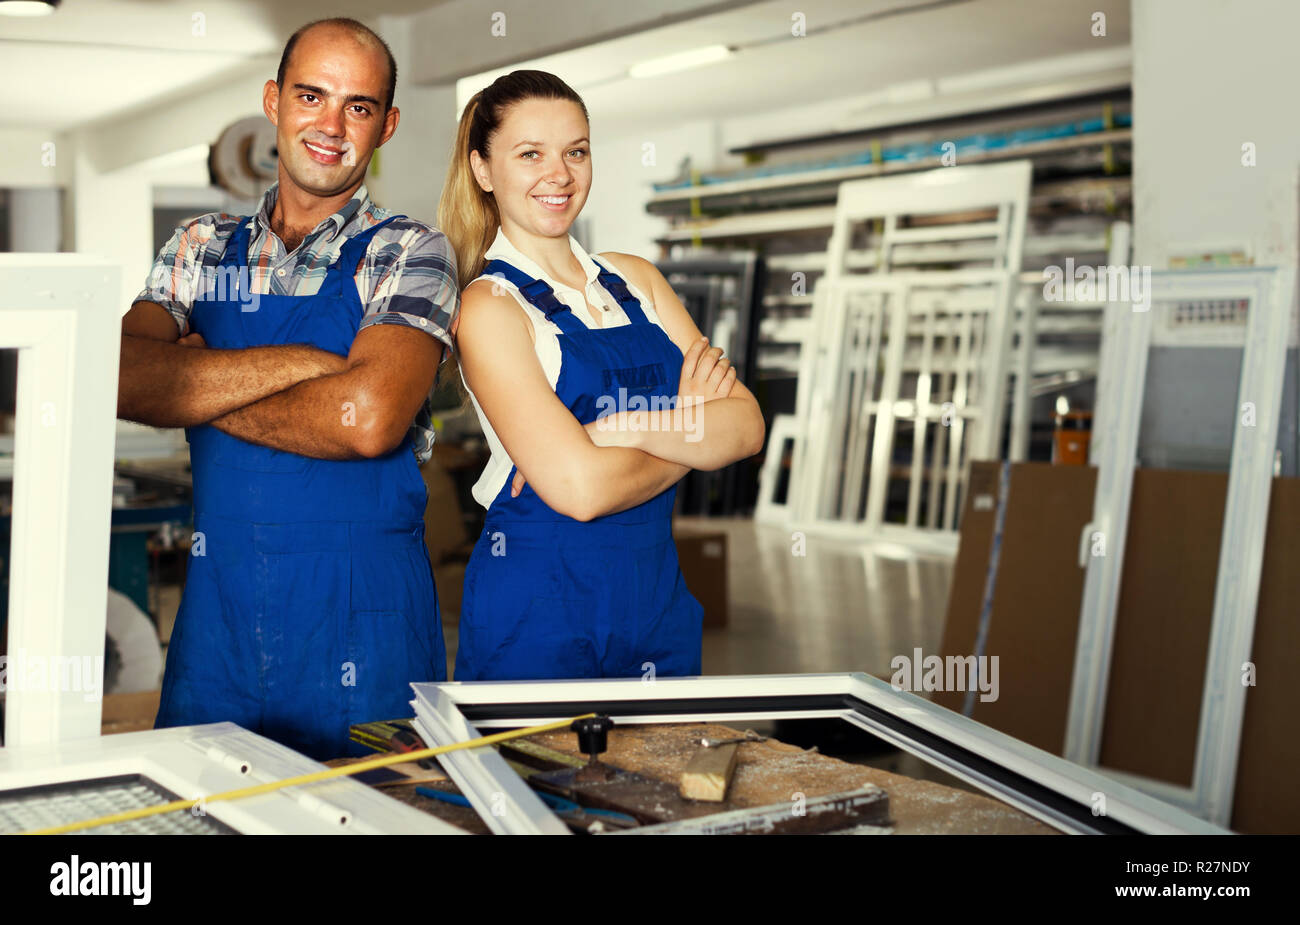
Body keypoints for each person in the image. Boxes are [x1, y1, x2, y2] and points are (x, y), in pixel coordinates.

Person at [117, 18, 456, 759]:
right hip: (219, 628)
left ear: (387, 124)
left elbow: (367, 419)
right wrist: (305, 362)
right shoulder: (198, 246)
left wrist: (194, 384)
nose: (331, 125)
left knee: (373, 819)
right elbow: (119, 377)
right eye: (311, 95)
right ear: (274, 101)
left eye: (358, 107)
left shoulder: (411, 251)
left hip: (366, 629)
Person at [439, 70, 765, 682]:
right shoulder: (490, 308)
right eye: (530, 153)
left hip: (655, 601)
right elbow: (580, 492)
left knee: (661, 778)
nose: (558, 174)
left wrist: (622, 428)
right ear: (484, 170)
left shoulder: (636, 280)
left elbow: (746, 427)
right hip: (539, 611)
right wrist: (693, 440)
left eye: (576, 151)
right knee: (534, 780)